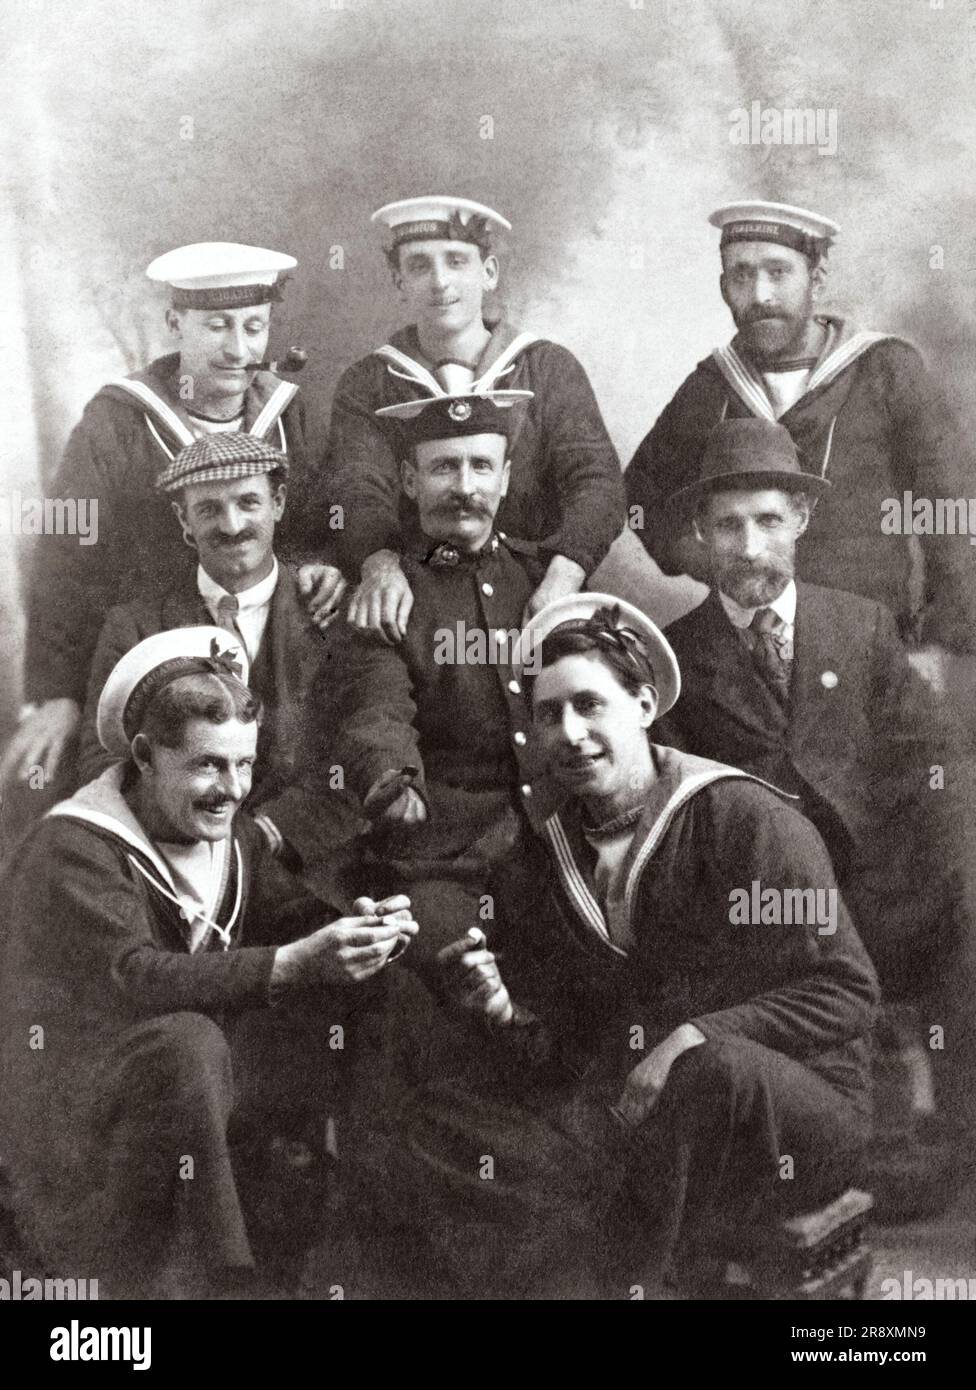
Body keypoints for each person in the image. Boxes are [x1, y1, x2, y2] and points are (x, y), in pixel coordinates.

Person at [360, 595, 879, 1298]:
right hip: (642, 1115)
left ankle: (639, 1283)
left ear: (642, 703)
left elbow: (846, 994)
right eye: (550, 715)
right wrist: (503, 1010)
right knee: (438, 1125)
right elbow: (572, 1049)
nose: (570, 733)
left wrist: (694, 1036)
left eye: (589, 705)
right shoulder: (544, 857)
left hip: (795, 1109)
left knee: (712, 1072)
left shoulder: (743, 819)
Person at [0, 627, 417, 1297]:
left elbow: (288, 917)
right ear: (144, 755)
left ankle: (346, 1253)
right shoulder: (75, 847)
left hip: (187, 1099)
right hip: (75, 1123)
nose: (233, 790)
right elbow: (139, 976)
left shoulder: (229, 838)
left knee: (354, 1005)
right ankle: (230, 1284)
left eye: (244, 765)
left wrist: (363, 928)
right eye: (207, 766)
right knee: (189, 1039)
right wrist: (291, 963)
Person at [659, 417, 974, 1174]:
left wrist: (934, 877)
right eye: (728, 525)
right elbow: (673, 816)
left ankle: (963, 1153)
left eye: (769, 520)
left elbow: (933, 767)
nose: (750, 545)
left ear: (801, 519)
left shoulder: (859, 627)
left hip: (879, 890)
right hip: (758, 907)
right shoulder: (674, 656)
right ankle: (830, 1158)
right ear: (701, 533)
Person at [2, 242, 343, 805]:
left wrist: (324, 566)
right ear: (174, 324)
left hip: (275, 660)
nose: (239, 350)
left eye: (254, 327)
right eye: (217, 327)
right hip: (148, 661)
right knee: (54, 794)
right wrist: (58, 692)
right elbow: (67, 558)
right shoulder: (119, 422)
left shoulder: (290, 413)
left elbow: (317, 526)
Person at [625, 200, 976, 669]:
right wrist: (709, 562)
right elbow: (641, 495)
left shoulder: (886, 370)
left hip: (874, 649)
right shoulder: (712, 387)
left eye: (778, 272)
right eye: (742, 275)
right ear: (724, 286)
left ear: (817, 277)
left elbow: (951, 510)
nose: (761, 294)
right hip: (751, 651)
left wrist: (938, 642)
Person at [329, 196, 625, 643]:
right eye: (419, 266)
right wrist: (379, 564)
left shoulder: (548, 368)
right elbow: (358, 486)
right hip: (416, 608)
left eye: (456, 261)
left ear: (488, 272)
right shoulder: (368, 382)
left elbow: (597, 484)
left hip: (537, 598)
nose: (440, 281)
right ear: (398, 281)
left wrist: (563, 580)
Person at [326, 382, 546, 982]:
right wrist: (394, 776)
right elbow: (376, 706)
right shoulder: (389, 591)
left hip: (551, 847)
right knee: (447, 967)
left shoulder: (540, 580)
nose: (465, 487)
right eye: (444, 467)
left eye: (481, 466)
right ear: (407, 480)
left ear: (505, 478)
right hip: (441, 856)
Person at [75, 432, 352, 877]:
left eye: (248, 502)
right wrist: (187, 837)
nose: (231, 525)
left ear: (278, 503)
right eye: (208, 509)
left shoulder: (331, 609)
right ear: (183, 520)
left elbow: (357, 752)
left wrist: (266, 836)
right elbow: (103, 762)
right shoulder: (134, 625)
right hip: (177, 862)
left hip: (311, 861)